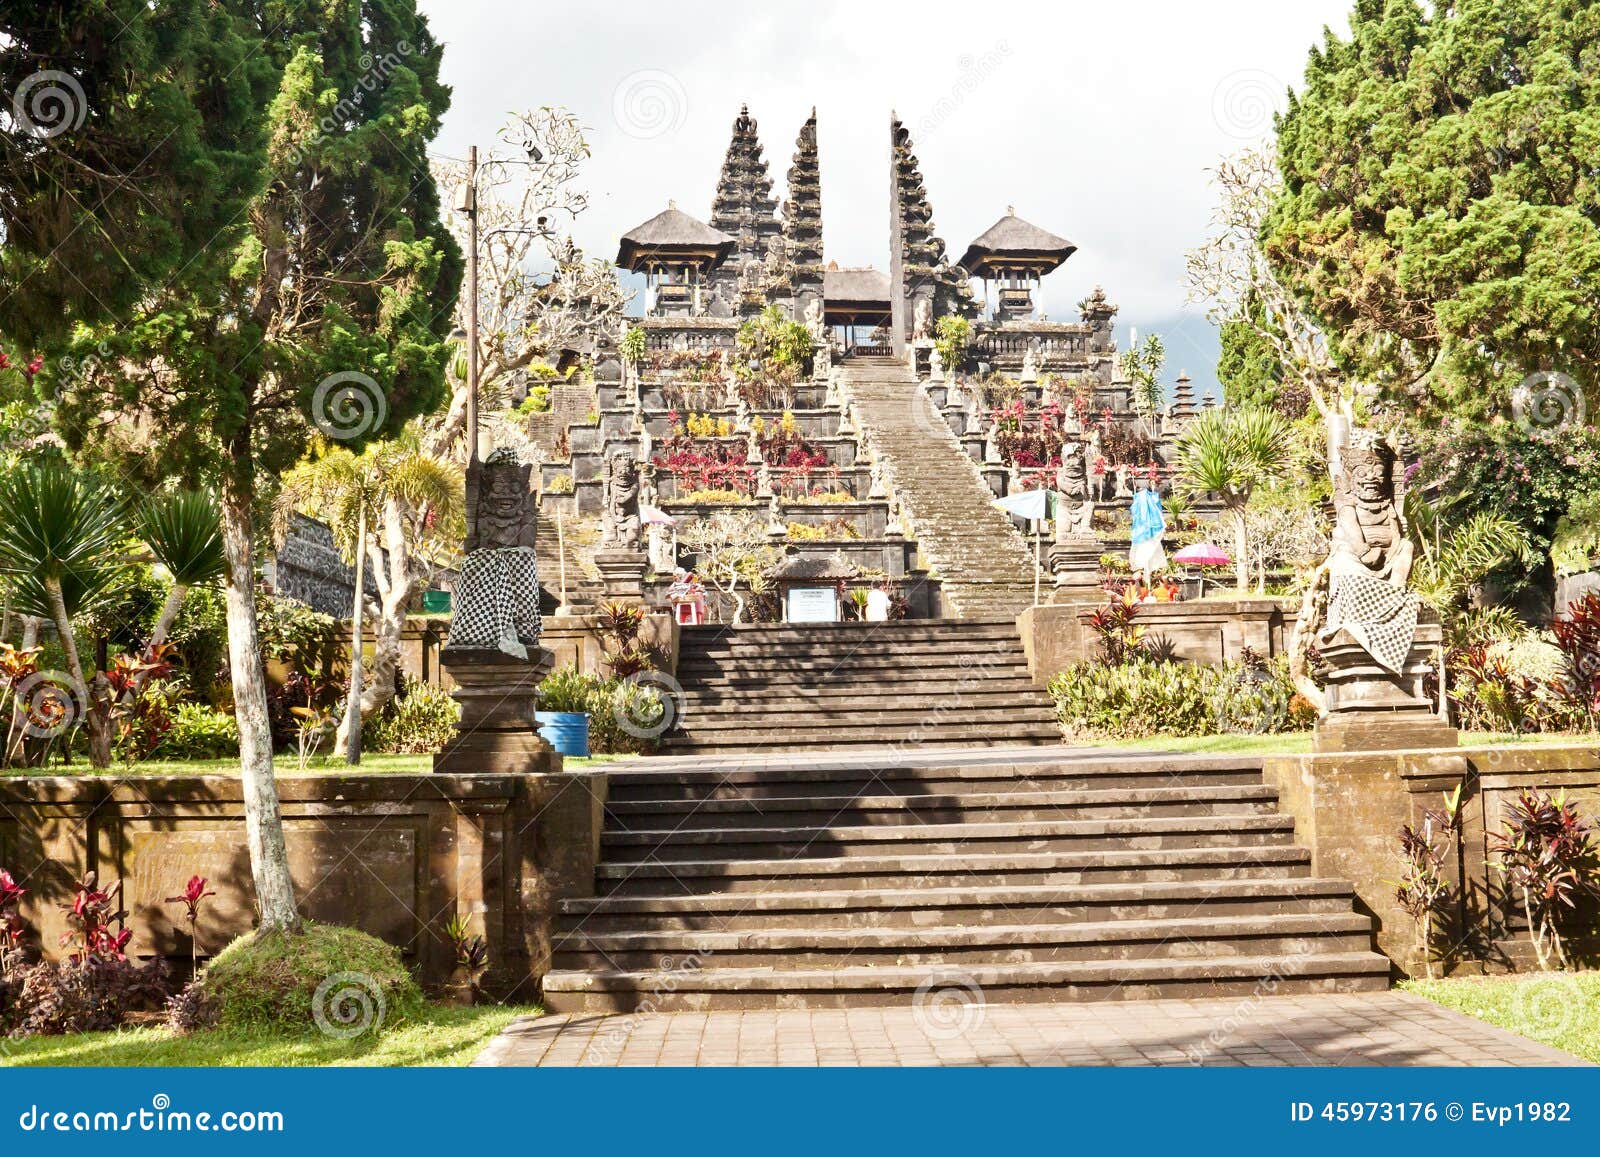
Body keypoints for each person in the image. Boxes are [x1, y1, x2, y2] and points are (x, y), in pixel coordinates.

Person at [1128, 477, 1167, 594]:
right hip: (1141, 533)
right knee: (1143, 560)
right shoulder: (1140, 501)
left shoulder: (1151, 501)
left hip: (1148, 533)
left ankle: (1149, 588)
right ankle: (1146, 588)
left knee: (1149, 560)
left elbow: (1156, 506)